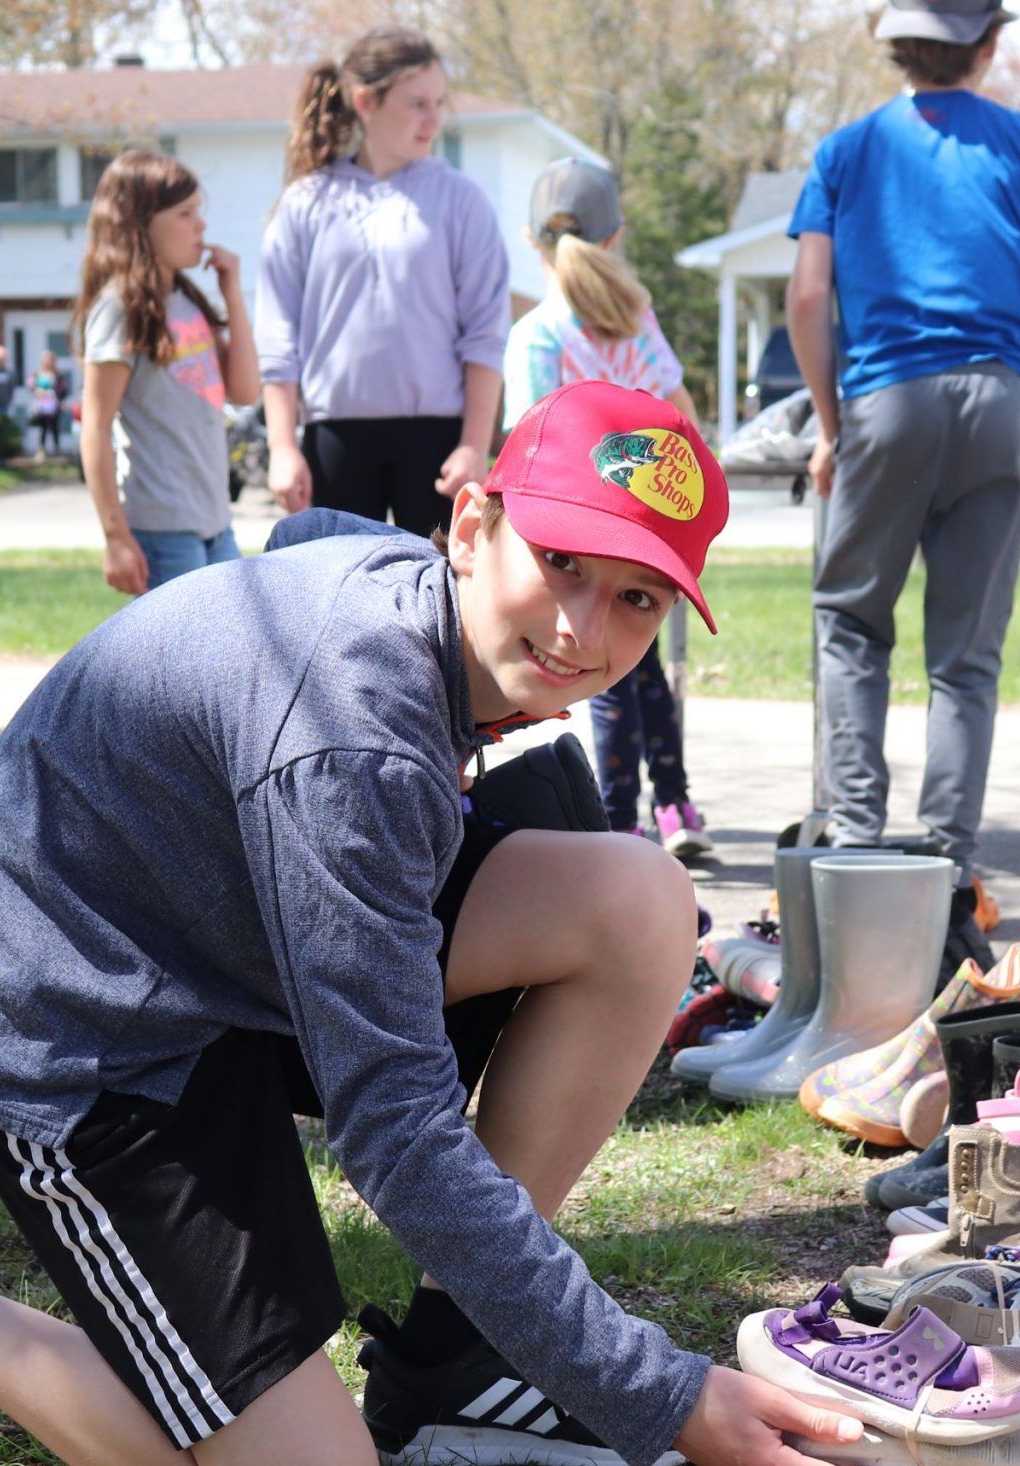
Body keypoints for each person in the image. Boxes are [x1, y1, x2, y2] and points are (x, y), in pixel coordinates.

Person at [0, 382, 892, 1466]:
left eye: (635, 598)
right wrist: (663, 1396)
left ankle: (450, 1362)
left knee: (638, 901)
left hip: (217, 944)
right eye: (564, 563)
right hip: (73, 1020)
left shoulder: (404, 586)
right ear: (475, 524)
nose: (584, 628)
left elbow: (304, 538)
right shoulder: (355, 738)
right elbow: (395, 1130)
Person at [786, 0, 1020, 963]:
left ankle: (853, 833)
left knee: (851, 621)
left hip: (887, 397)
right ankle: (951, 863)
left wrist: (832, 428)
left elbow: (806, 295)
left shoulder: (845, 151)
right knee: (965, 656)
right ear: (989, 43)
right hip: (1003, 397)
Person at [503, 157, 710, 858]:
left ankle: (620, 821)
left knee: (606, 672)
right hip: (645, 532)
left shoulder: (539, 334)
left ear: (534, 244)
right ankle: (676, 804)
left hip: (578, 529)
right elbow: (681, 415)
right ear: (615, 237)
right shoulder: (636, 320)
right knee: (646, 673)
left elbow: (535, 437)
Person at [257, 25, 509, 539]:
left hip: (438, 444)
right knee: (340, 605)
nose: (434, 118)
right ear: (365, 101)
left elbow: (485, 334)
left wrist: (472, 445)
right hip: (335, 441)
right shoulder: (306, 202)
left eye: (440, 102)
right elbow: (277, 338)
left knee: (443, 605)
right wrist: (283, 447)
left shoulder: (462, 201)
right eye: (417, 103)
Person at [73, 151, 259, 598]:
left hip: (215, 523)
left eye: (200, 212)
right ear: (140, 225)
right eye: (185, 214)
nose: (201, 226)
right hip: (164, 531)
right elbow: (95, 428)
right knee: (186, 664)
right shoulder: (121, 309)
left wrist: (232, 294)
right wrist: (116, 538)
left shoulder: (187, 301)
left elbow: (246, 390)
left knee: (227, 655)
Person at [25, 351, 70, 457]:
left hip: (53, 405)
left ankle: (57, 449)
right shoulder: (37, 373)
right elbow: (30, 384)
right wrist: (37, 390)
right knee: (43, 427)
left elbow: (63, 389)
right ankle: (41, 450)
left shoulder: (58, 375)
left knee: (55, 427)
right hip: (41, 406)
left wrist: (54, 395)